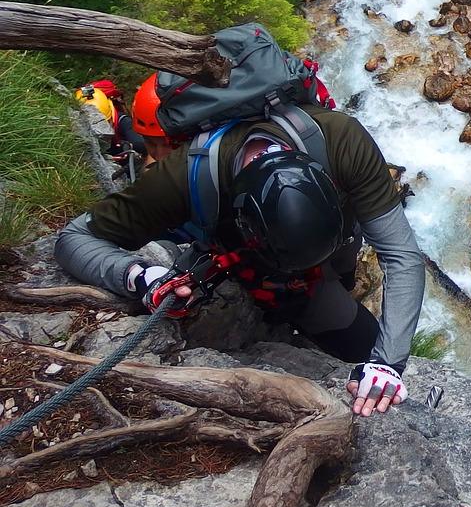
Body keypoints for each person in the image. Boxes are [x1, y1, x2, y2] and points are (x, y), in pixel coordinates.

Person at [55, 75, 426, 418]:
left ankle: (331, 289)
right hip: (274, 275)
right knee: (350, 331)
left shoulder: (341, 139)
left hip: (335, 247)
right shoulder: (181, 178)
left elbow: (402, 254)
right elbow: (73, 239)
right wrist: (142, 276)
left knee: (358, 326)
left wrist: (388, 362)